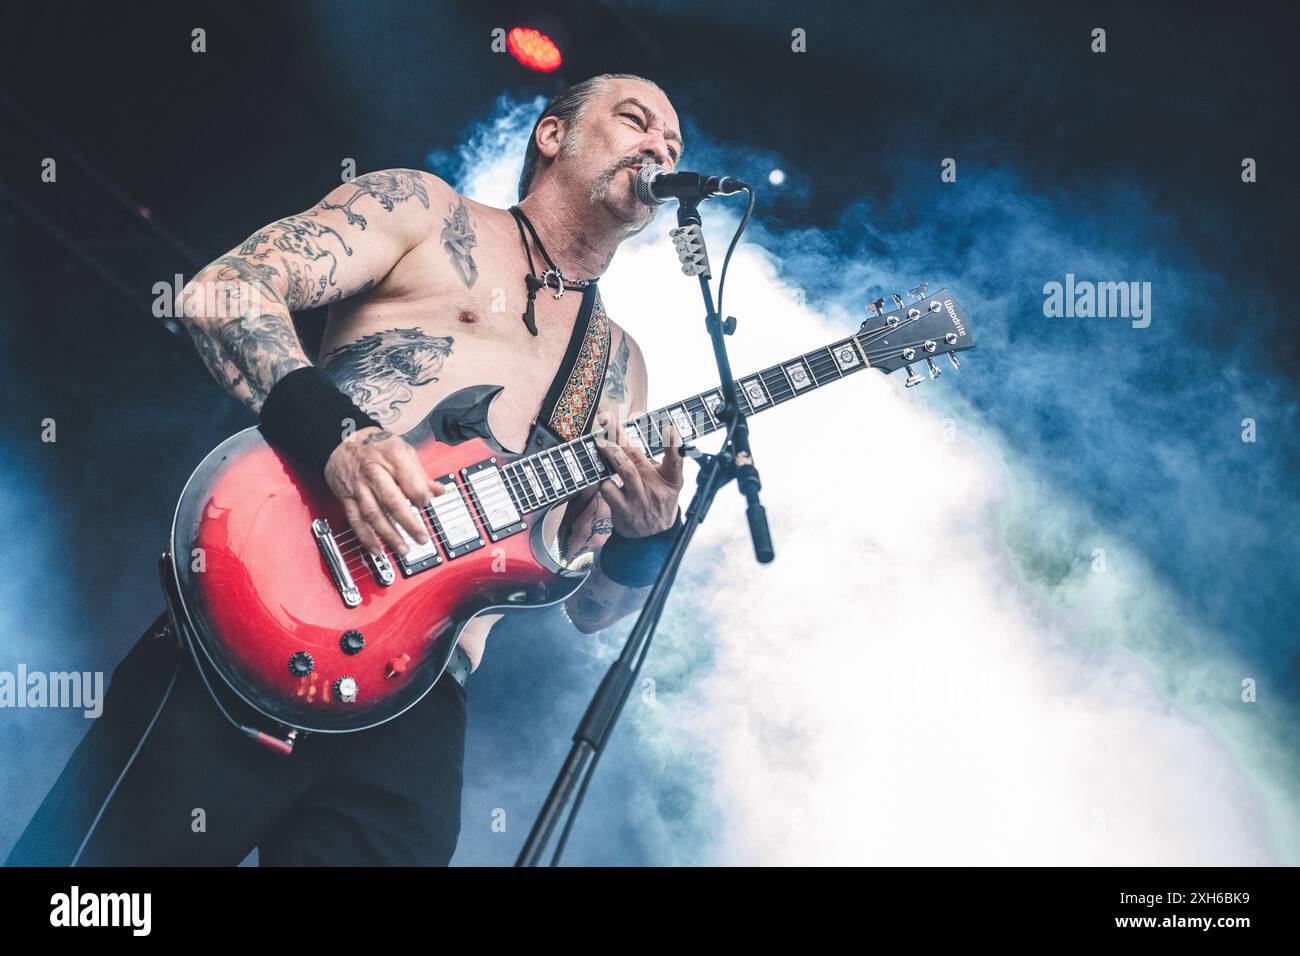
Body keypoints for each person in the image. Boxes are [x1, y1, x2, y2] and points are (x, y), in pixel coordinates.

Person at [6, 73, 687, 867]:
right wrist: (341, 439)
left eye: (672, 147)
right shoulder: (425, 212)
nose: (657, 149)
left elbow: (589, 609)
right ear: (552, 135)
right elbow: (223, 294)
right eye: (636, 122)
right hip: (268, 613)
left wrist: (643, 541)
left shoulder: (619, 369)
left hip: (424, 703)